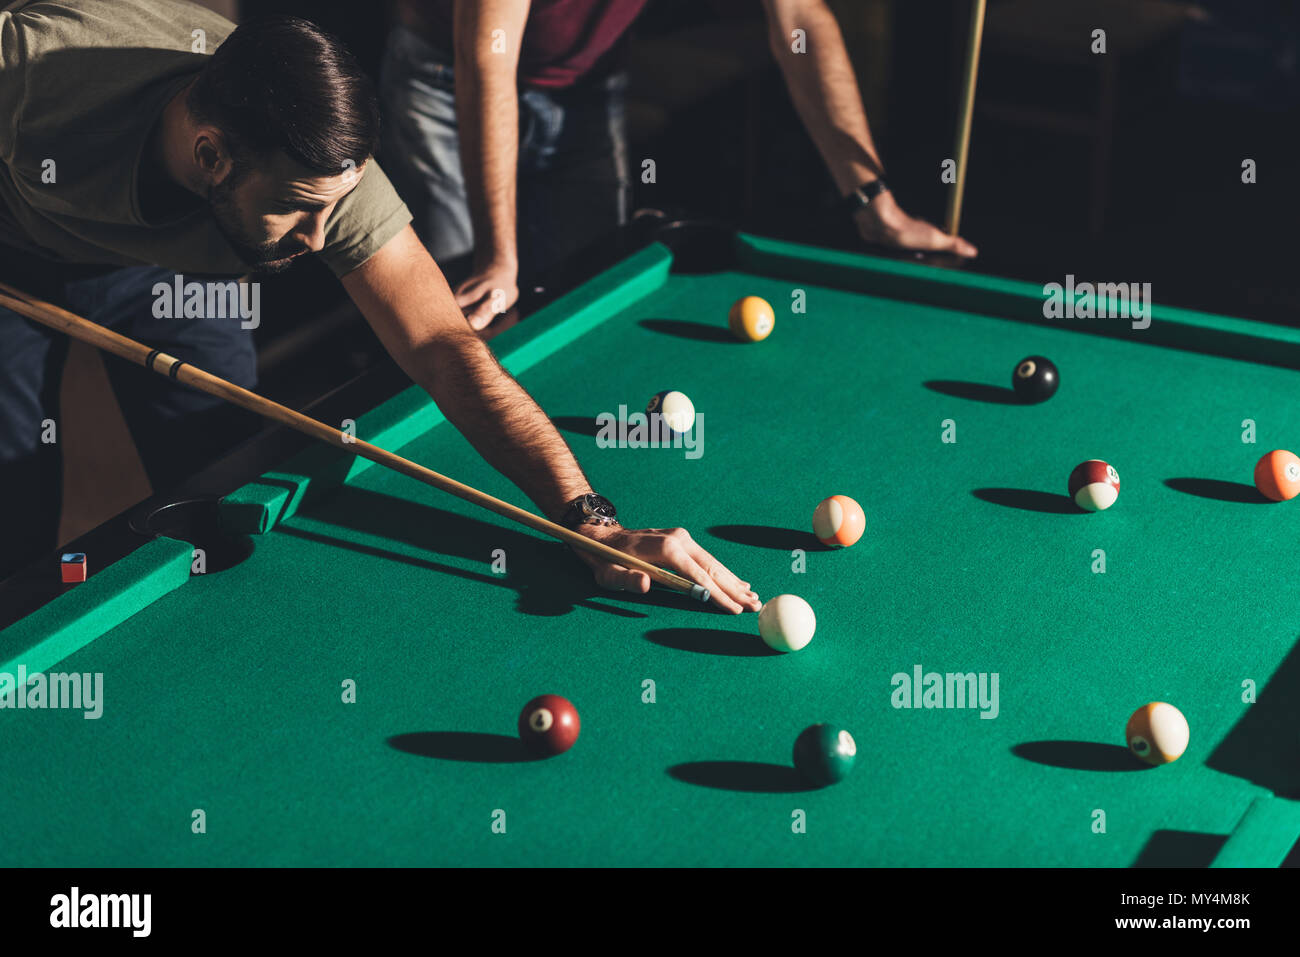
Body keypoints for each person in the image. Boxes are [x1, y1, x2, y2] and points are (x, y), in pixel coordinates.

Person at [0, 1, 759, 613]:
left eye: (334, 210)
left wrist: (591, 520)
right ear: (211, 157)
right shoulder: (32, 72)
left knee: (218, 486)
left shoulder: (326, 181)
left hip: (168, 277)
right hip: (17, 256)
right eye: (299, 213)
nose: (323, 239)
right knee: (17, 501)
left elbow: (441, 345)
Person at [381, 0, 979, 330]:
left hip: (588, 81)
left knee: (583, 307)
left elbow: (800, 23)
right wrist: (499, 256)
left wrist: (875, 205)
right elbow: (488, 59)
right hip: (447, 82)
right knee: (461, 319)